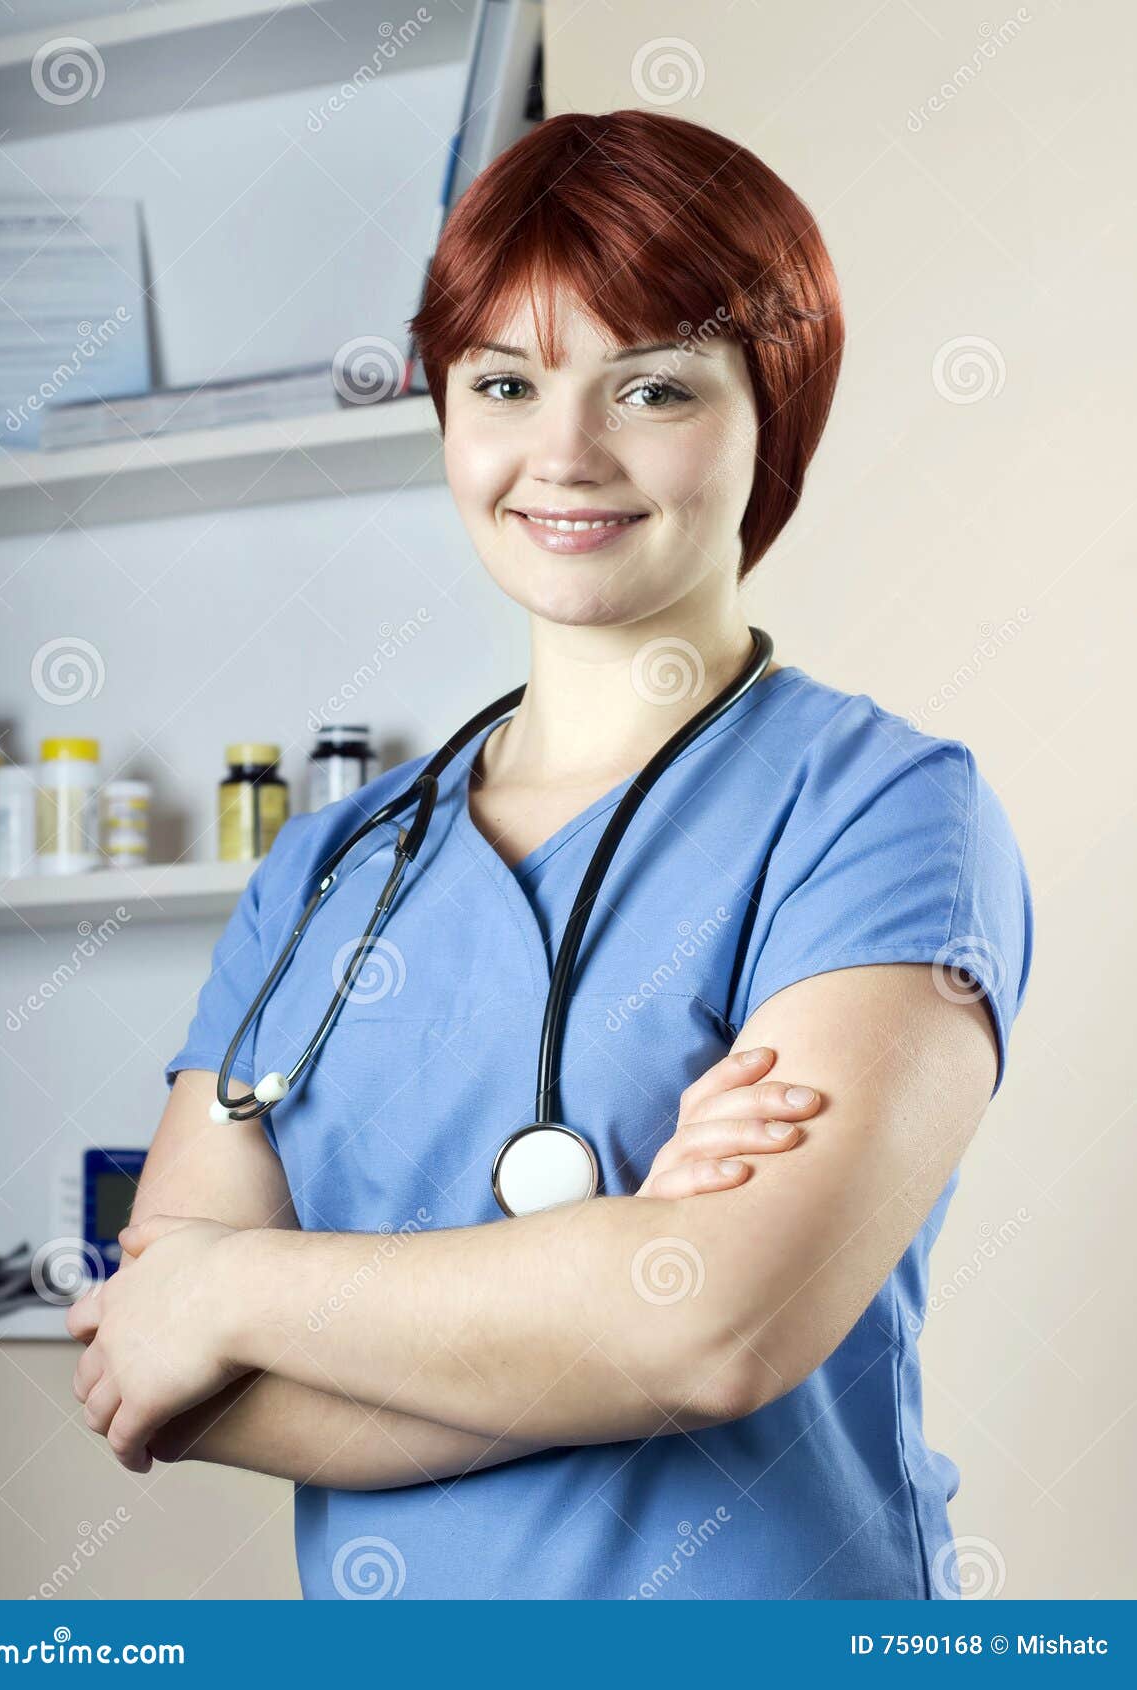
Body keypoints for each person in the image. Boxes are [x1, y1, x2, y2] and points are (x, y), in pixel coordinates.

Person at [67, 110, 1033, 1601]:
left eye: (654, 386)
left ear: (773, 416)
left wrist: (236, 1285)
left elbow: (717, 1327)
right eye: (505, 383)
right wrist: (617, 1294)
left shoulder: (884, 812)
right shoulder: (326, 869)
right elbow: (160, 1376)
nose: (565, 454)